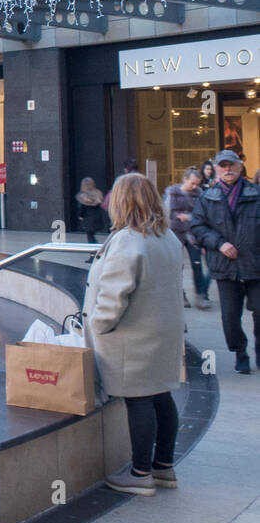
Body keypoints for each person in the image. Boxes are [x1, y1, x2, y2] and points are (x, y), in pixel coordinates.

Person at [81, 173, 184, 496]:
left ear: (122, 202)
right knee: (162, 396)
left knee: (139, 400)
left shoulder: (128, 239)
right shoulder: (167, 237)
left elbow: (114, 295)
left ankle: (140, 473)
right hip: (161, 334)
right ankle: (163, 466)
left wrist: (98, 326)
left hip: (131, 337)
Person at [190, 149, 260, 374]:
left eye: (232, 165)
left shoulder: (255, 194)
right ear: (216, 169)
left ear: (240, 167)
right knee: (230, 318)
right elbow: (197, 228)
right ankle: (240, 352)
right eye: (223, 165)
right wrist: (219, 244)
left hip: (255, 265)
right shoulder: (207, 198)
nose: (228, 169)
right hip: (224, 267)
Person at [165, 168, 210, 310]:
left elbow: (203, 214)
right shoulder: (172, 193)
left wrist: (189, 217)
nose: (194, 187)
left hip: (192, 234)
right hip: (175, 233)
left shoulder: (199, 194)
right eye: (192, 183)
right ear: (185, 179)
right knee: (177, 266)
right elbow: (167, 213)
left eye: (197, 184)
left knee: (197, 265)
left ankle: (201, 296)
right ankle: (180, 295)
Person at [76, 178, 104, 243]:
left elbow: (81, 208)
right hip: (97, 217)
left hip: (87, 218)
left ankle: (93, 249)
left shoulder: (82, 196)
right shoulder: (98, 194)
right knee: (91, 235)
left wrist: (80, 216)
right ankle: (95, 244)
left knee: (89, 235)